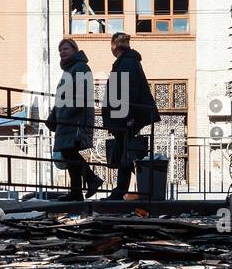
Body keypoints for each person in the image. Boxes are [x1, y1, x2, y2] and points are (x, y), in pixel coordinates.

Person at [44, 37, 103, 200]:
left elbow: (82, 94)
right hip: (67, 118)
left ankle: (91, 180)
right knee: (68, 152)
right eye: (60, 50)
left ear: (75, 50)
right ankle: (76, 192)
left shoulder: (81, 67)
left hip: (76, 118)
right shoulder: (69, 70)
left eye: (66, 49)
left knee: (69, 151)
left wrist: (67, 112)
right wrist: (54, 115)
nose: (62, 52)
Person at [101, 31, 158, 198]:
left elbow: (129, 91)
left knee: (126, 154)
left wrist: (128, 117)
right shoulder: (127, 61)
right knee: (125, 154)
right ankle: (123, 191)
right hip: (124, 117)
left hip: (125, 118)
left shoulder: (126, 62)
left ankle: (123, 191)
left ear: (114, 46)